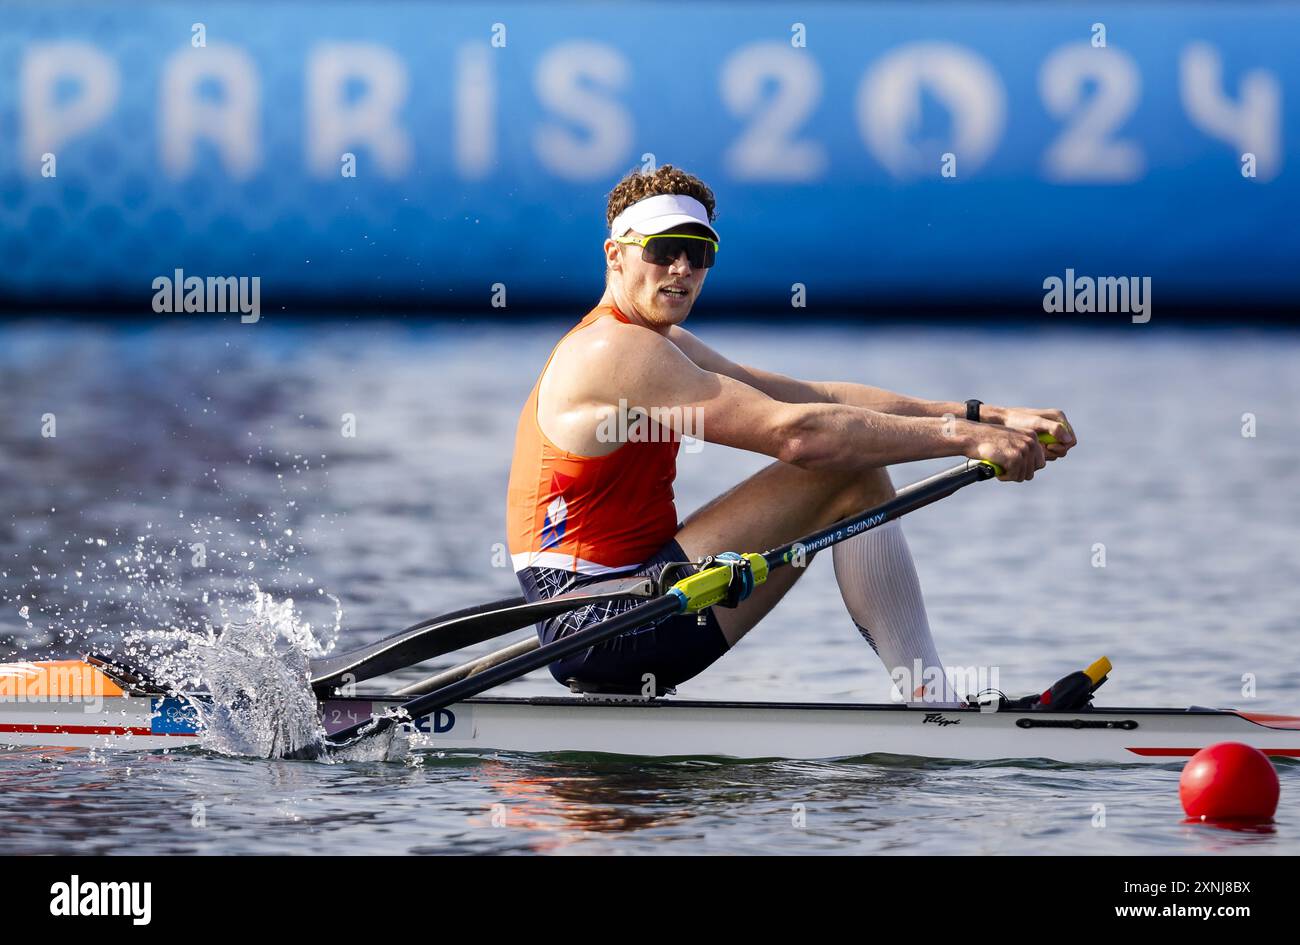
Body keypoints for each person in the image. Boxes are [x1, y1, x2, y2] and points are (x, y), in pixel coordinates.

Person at [506, 165, 1075, 703]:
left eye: (698, 252)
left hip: (637, 596)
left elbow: (815, 399)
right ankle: (933, 704)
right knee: (845, 466)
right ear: (615, 255)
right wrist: (963, 442)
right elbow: (797, 435)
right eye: (662, 250)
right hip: (599, 624)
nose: (681, 268)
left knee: (851, 457)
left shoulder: (659, 344)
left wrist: (985, 416)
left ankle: (931, 704)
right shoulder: (613, 349)